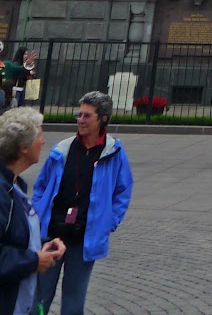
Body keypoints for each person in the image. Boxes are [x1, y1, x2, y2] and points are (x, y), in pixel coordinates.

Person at [32, 92, 133, 315]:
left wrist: (109, 221)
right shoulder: (62, 149)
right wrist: (38, 214)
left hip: (84, 238)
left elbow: (123, 191)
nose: (81, 120)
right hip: (51, 234)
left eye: (87, 116)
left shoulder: (114, 153)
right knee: (38, 300)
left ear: (103, 119)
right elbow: (41, 187)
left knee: (73, 303)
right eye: (79, 115)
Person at [0, 108, 65, 315]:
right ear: (23, 148)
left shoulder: (15, 184)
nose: (43, 141)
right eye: (40, 135)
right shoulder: (2, 191)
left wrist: (42, 242)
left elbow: (13, 236)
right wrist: (34, 260)